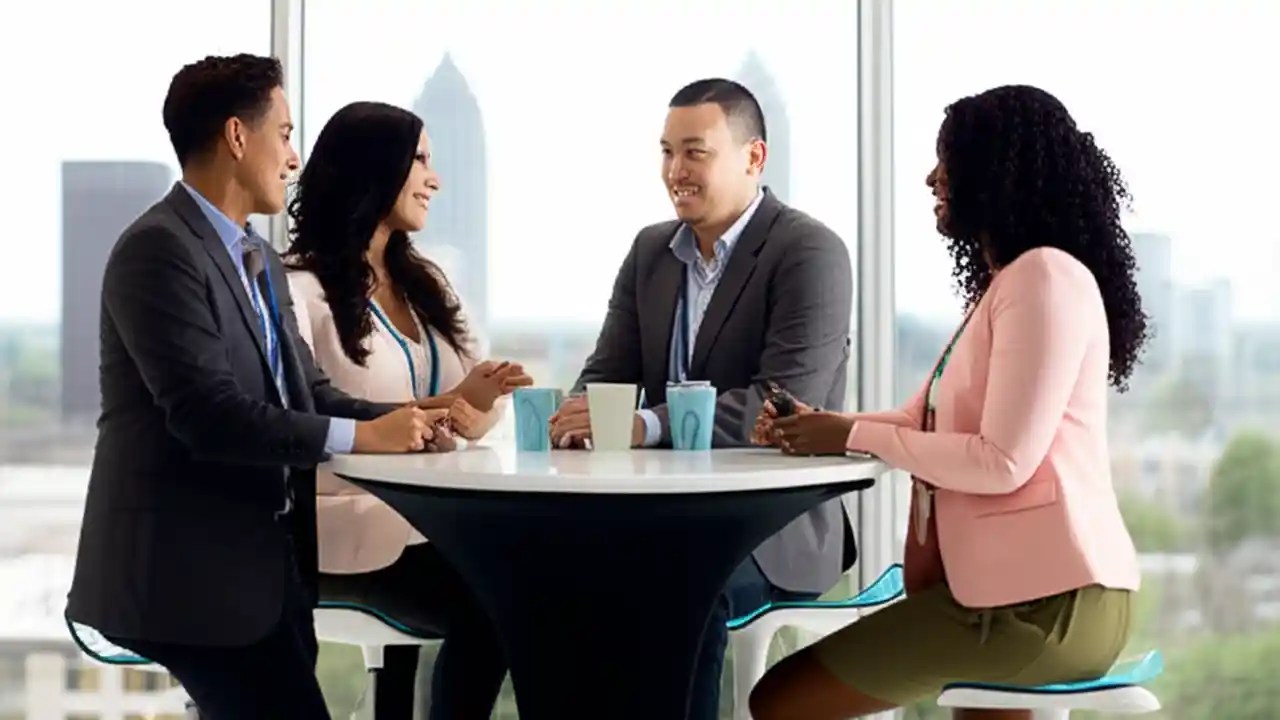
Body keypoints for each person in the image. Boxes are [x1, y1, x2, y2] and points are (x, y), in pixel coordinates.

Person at [748, 84, 1147, 720]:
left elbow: (1002, 461)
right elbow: (918, 420)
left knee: (781, 701)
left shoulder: (1044, 278)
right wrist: (824, 426)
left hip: (1050, 604)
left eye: (949, 160)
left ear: (996, 170)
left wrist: (850, 436)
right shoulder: (1010, 285)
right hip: (1007, 594)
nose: (933, 178)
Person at [65, 55, 445, 720]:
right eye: (287, 133)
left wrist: (414, 420)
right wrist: (364, 435)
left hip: (265, 576)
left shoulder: (257, 259)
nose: (294, 159)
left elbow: (311, 394)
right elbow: (207, 415)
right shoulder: (157, 251)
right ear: (238, 137)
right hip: (185, 579)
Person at [548, 77, 855, 719]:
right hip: (655, 513)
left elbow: (783, 407)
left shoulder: (809, 251)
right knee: (556, 576)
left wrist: (641, 426)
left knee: (678, 585)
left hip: (769, 527)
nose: (674, 171)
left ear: (754, 157)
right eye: (666, 151)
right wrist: (577, 418)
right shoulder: (651, 252)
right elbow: (608, 370)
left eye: (694, 152)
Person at [284, 100, 530, 720]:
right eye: (419, 160)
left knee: (540, 574)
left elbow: (478, 394)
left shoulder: (430, 283)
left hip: (440, 519)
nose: (434, 179)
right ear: (372, 169)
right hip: (350, 522)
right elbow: (302, 417)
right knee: (504, 600)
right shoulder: (300, 289)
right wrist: (445, 408)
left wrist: (476, 407)